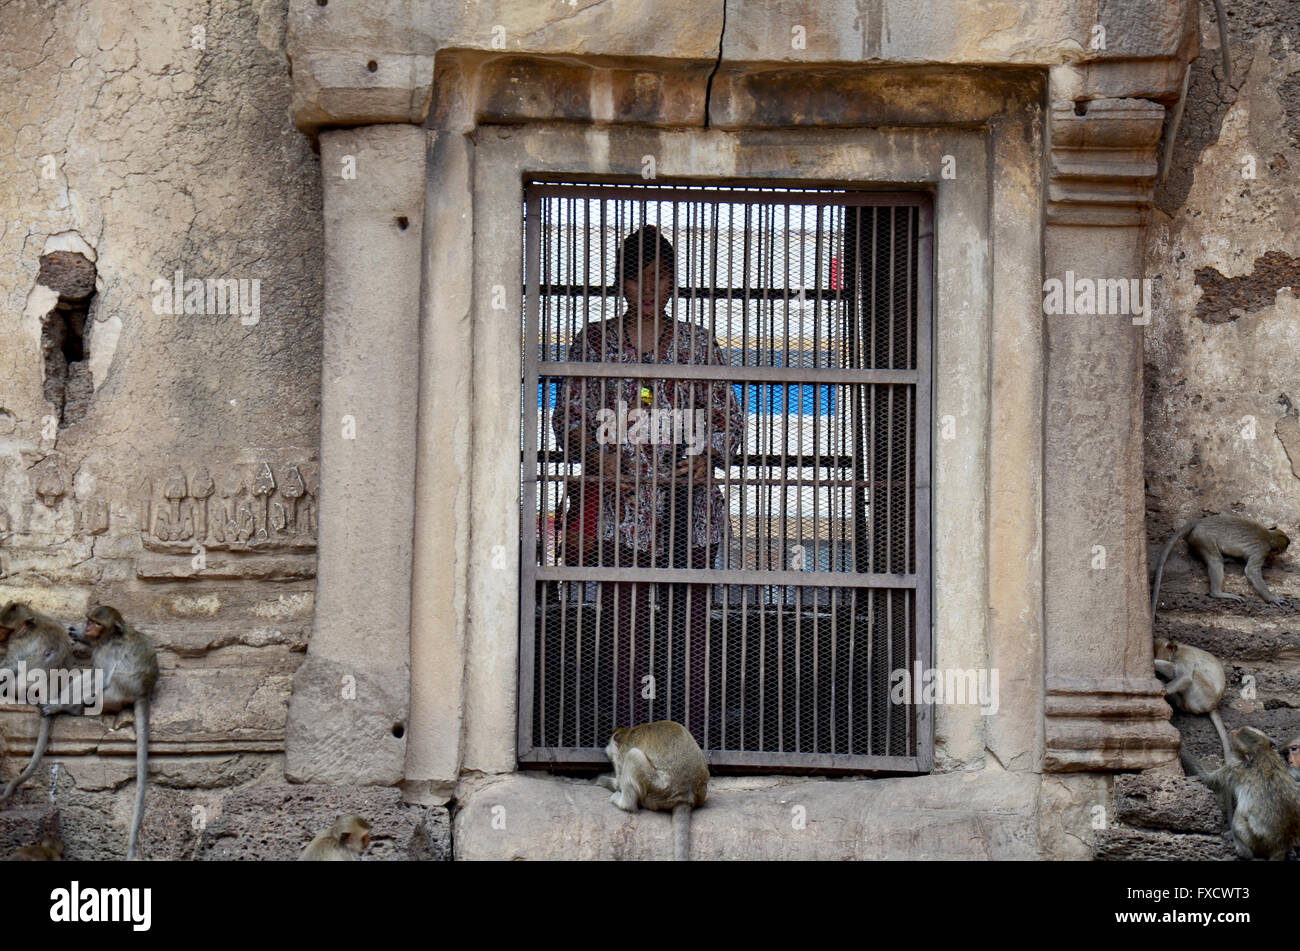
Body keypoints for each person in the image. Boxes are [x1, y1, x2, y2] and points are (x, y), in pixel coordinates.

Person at [553, 224, 743, 743]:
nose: (651, 290)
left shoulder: (699, 345)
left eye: (661, 277)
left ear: (675, 281)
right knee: (626, 633)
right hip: (623, 511)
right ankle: (632, 747)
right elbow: (570, 414)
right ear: (621, 284)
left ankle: (690, 742)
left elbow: (728, 416)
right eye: (638, 279)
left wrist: (709, 459)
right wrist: (596, 455)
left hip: (691, 511)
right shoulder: (594, 342)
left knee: (692, 633)